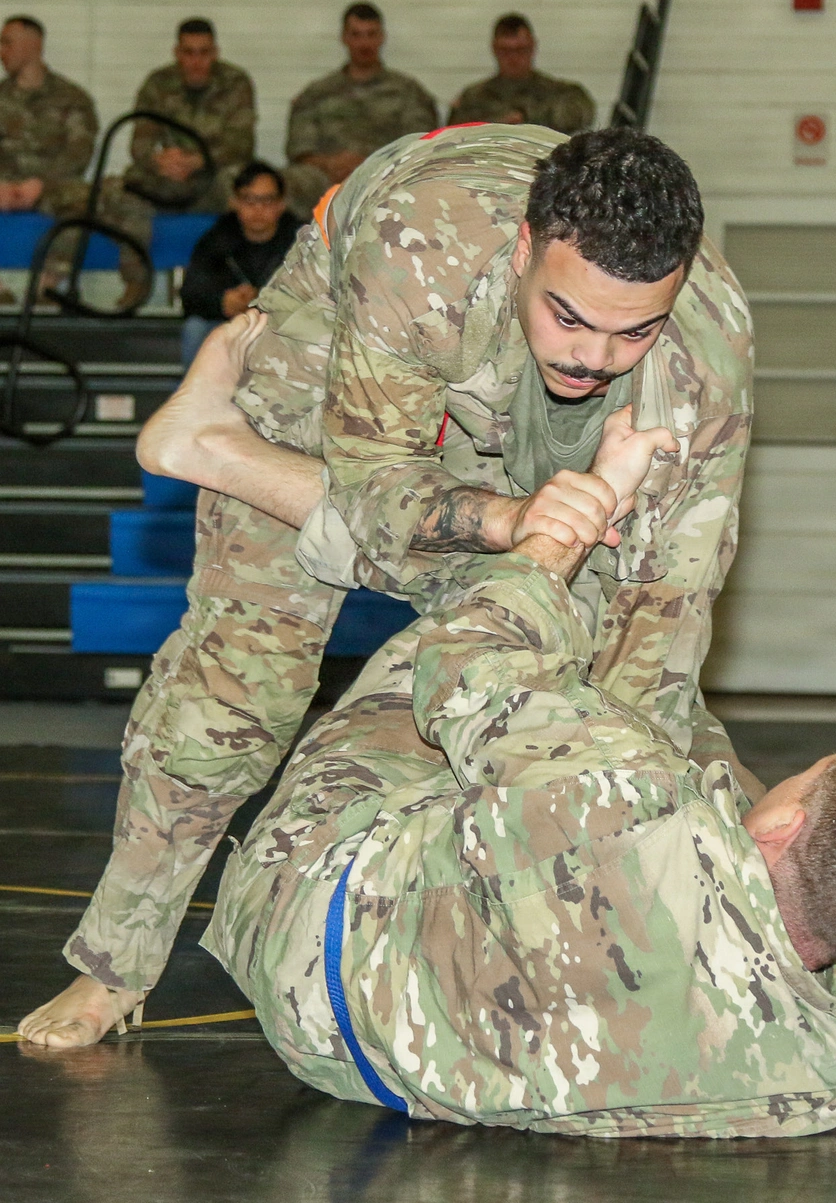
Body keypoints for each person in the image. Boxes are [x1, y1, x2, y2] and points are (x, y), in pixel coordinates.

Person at [19, 124, 754, 1049]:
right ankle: (112, 966)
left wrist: (611, 818)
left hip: (497, 364)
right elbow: (377, 497)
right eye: (571, 317)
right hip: (349, 317)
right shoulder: (425, 250)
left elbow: (665, 629)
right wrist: (508, 523)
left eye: (632, 330)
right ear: (527, 250)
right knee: (247, 675)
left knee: (583, 654)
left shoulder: (701, 363)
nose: (597, 357)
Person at [198, 413, 836, 1137]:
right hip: (390, 1069)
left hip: (302, 924)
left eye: (808, 772)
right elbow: (698, 788)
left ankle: (220, 452)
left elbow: (466, 661)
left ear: (784, 825)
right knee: (609, 709)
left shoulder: (625, 804)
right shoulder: (811, 1076)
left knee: (477, 611)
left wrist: (559, 535)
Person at [94, 18, 256, 310]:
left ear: (215, 53)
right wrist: (160, 161)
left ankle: (245, 283)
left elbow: (242, 143)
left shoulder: (235, 83)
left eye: (203, 53)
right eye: (189, 52)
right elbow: (139, 142)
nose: (196, 61)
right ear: (177, 53)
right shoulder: (158, 84)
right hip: (166, 180)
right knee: (123, 189)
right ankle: (137, 282)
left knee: (247, 188)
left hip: (211, 181)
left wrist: (197, 161)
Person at [283, 1, 437, 218]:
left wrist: (366, 163)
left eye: (371, 34)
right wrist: (332, 164)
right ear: (344, 38)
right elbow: (299, 149)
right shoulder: (316, 93)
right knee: (285, 183)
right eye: (356, 35)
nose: (364, 43)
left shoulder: (408, 91)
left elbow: (421, 145)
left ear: (382, 37)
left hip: (385, 176)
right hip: (326, 180)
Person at [178, 160, 300, 367]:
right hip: (229, 323)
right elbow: (190, 294)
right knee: (195, 328)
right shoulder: (216, 239)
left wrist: (262, 302)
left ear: (281, 205)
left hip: (283, 326)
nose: (258, 209)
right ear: (234, 203)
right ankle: (200, 398)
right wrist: (222, 302)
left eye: (267, 200)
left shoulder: (302, 241)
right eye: (249, 200)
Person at [0, 14, 98, 217]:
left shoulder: (71, 98)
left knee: (95, 205)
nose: (2, 51)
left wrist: (41, 183)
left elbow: (79, 153)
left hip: (52, 188)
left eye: (8, 43)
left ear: (34, 44)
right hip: (3, 187)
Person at [448, 13, 596, 136]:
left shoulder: (561, 92)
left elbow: (581, 115)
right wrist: (499, 123)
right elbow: (453, 133)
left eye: (520, 50)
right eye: (506, 51)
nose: (513, 58)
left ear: (532, 47)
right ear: (494, 49)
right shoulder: (473, 96)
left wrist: (526, 116)